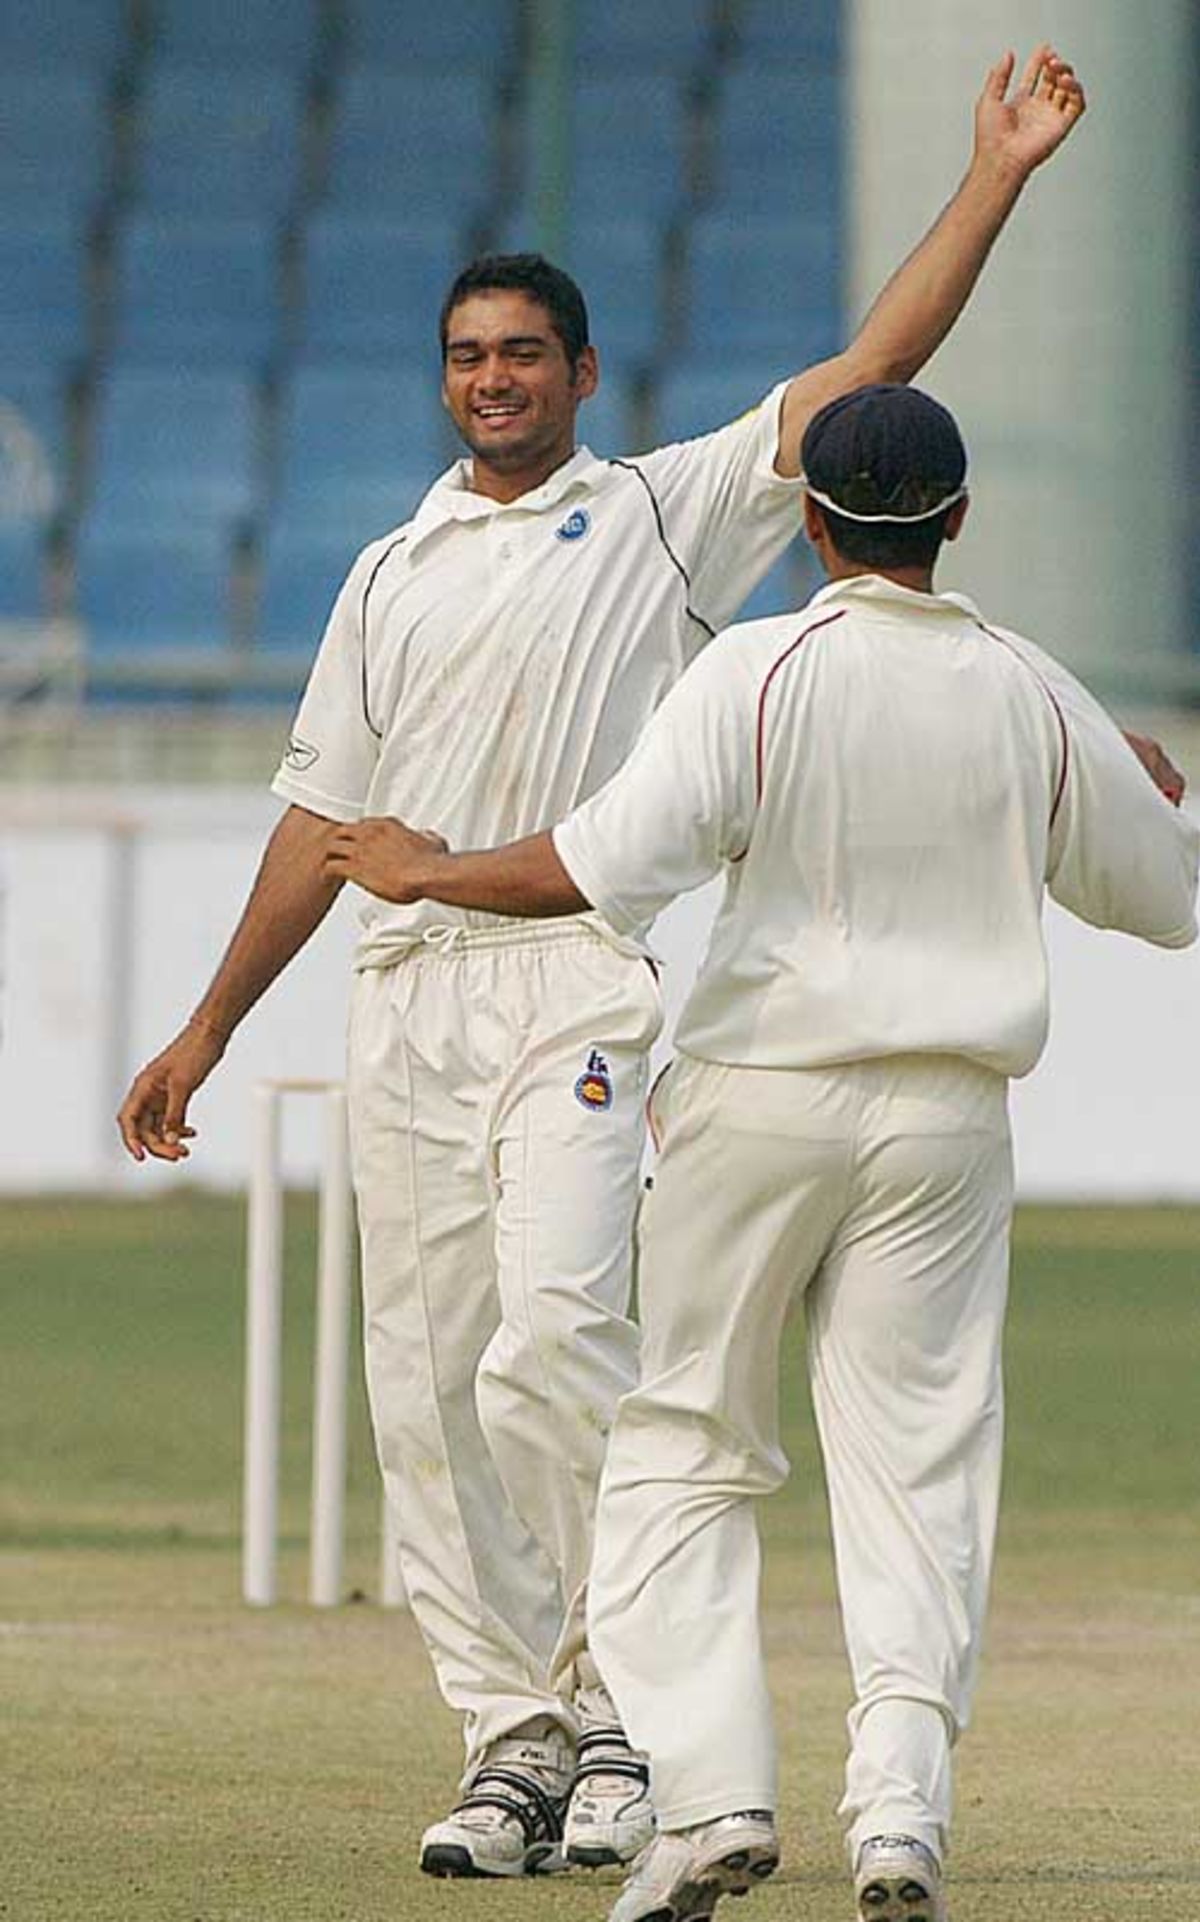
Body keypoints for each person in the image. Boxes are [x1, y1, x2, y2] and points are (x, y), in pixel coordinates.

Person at [116, 49, 1098, 1884]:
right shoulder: (389, 567)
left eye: (525, 355)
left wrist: (998, 173)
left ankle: (639, 1717)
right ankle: (512, 1734)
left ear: (578, 373)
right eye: (469, 356)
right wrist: (205, 1028)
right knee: (425, 1393)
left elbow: (876, 370)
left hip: (572, 979)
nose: (495, 380)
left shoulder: (658, 511)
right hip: (401, 995)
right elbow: (323, 827)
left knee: (561, 1341)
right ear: (447, 378)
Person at [320, 381, 1198, 1922]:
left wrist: (422, 865)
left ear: (812, 525)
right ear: (958, 519)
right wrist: (1123, 780)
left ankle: (716, 1790)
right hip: (945, 1121)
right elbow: (1167, 893)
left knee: (674, 1453)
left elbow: (591, 867)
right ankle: (899, 1823)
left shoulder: (756, 668)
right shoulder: (1025, 685)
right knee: (918, 1468)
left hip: (761, 1099)